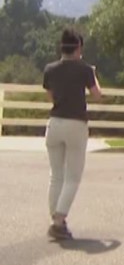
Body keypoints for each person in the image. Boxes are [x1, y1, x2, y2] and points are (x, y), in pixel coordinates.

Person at [42, 28, 102, 241]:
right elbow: (97, 95)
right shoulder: (85, 69)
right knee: (73, 177)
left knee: (56, 174)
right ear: (78, 47)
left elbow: (51, 96)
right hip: (76, 124)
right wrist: (92, 74)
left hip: (55, 123)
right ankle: (59, 220)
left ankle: (55, 218)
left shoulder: (50, 69)